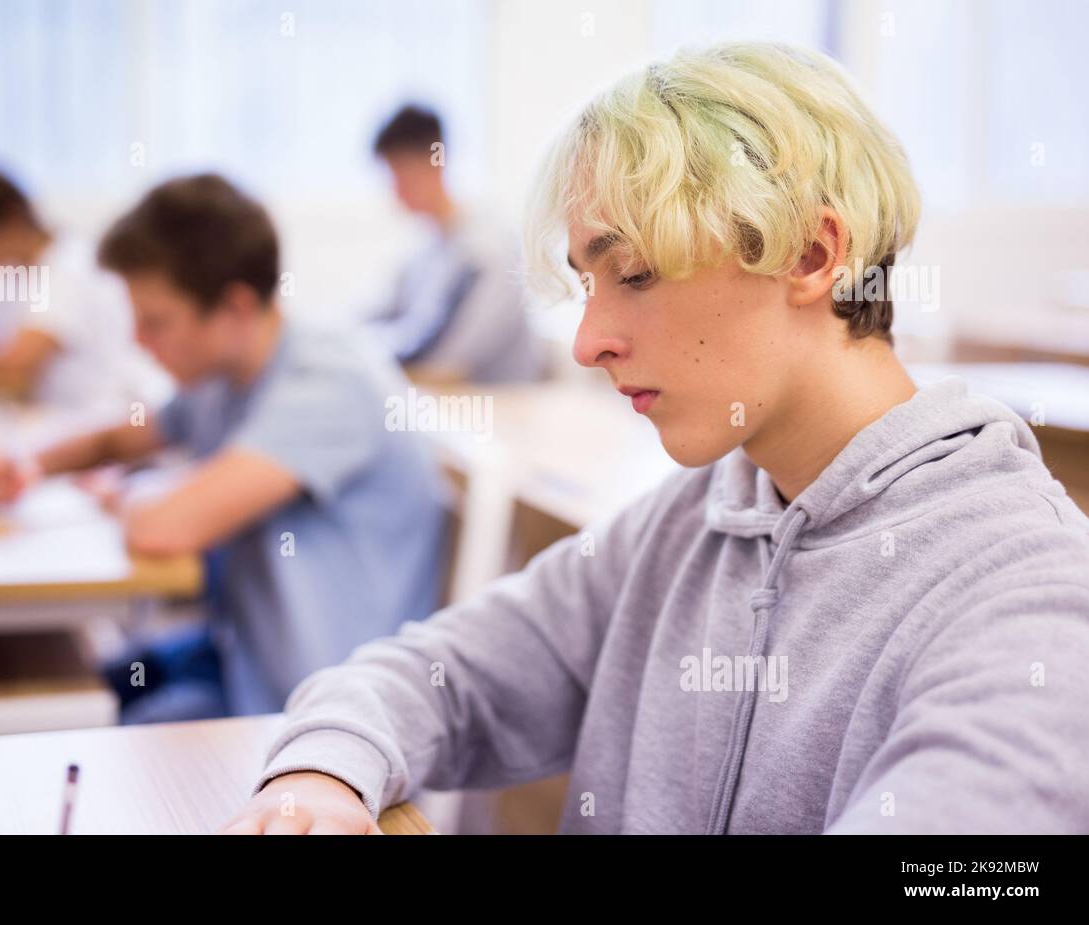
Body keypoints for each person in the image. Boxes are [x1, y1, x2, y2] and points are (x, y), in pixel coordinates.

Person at [223, 43, 1089, 834]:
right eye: (587, 282)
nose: (585, 340)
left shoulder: (1029, 601)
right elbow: (435, 674)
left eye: (632, 272)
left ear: (812, 254)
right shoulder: (690, 521)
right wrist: (319, 774)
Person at [0, 173, 450, 718]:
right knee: (91, 681)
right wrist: (26, 462)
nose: (138, 340)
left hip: (319, 706)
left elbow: (163, 524)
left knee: (103, 723)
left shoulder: (329, 383)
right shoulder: (224, 373)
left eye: (157, 322)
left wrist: (123, 492)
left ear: (235, 308)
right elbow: (117, 436)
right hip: (240, 655)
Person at [0, 165, 168, 409]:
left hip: (99, 413)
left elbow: (15, 362)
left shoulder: (69, 267)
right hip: (59, 416)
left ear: (11, 220)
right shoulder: (19, 270)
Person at [367, 105, 545, 384]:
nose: (396, 190)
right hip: (450, 398)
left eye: (402, 174)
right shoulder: (424, 251)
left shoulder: (489, 248)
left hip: (500, 402)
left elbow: (452, 367)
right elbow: (381, 313)